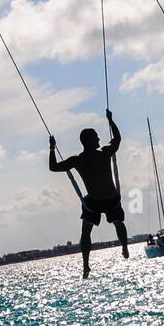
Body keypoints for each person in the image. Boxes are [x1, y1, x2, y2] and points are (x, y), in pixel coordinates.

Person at [49, 110, 128, 278]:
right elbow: (118, 139)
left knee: (105, 226)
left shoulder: (80, 159)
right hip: (104, 200)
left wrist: (52, 148)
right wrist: (111, 121)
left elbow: (53, 166)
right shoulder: (102, 153)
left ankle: (119, 249)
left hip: (100, 200)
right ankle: (88, 264)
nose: (99, 139)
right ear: (89, 141)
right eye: (96, 137)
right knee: (113, 224)